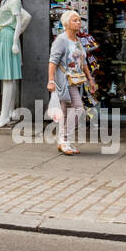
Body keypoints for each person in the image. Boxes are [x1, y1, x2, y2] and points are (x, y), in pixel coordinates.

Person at [48, 11, 98, 155]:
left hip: (75, 81)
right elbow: (52, 61)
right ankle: (64, 140)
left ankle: (64, 141)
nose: (78, 23)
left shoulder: (77, 40)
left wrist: (90, 79)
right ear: (66, 24)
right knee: (78, 109)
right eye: (74, 20)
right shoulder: (61, 40)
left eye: (78, 20)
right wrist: (51, 80)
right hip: (64, 82)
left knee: (67, 112)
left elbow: (83, 62)